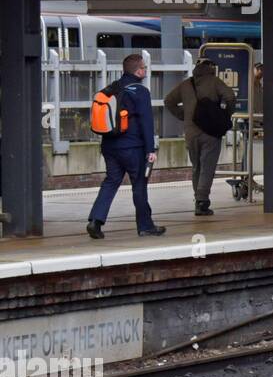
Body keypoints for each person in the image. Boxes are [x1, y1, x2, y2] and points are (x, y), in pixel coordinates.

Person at [87, 54, 166, 239]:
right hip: (132, 148)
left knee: (111, 181)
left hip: (109, 146)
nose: (145, 70)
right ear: (138, 71)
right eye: (144, 68)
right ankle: (145, 226)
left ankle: (95, 221)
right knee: (139, 184)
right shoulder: (141, 91)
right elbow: (147, 123)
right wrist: (150, 150)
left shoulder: (112, 88)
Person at [165, 58, 236, 216]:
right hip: (210, 132)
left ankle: (198, 199)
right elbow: (230, 97)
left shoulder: (185, 85)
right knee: (207, 167)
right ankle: (202, 201)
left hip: (191, 132)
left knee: (196, 166)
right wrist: (225, 114)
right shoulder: (214, 81)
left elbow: (168, 101)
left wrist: (183, 115)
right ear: (211, 68)